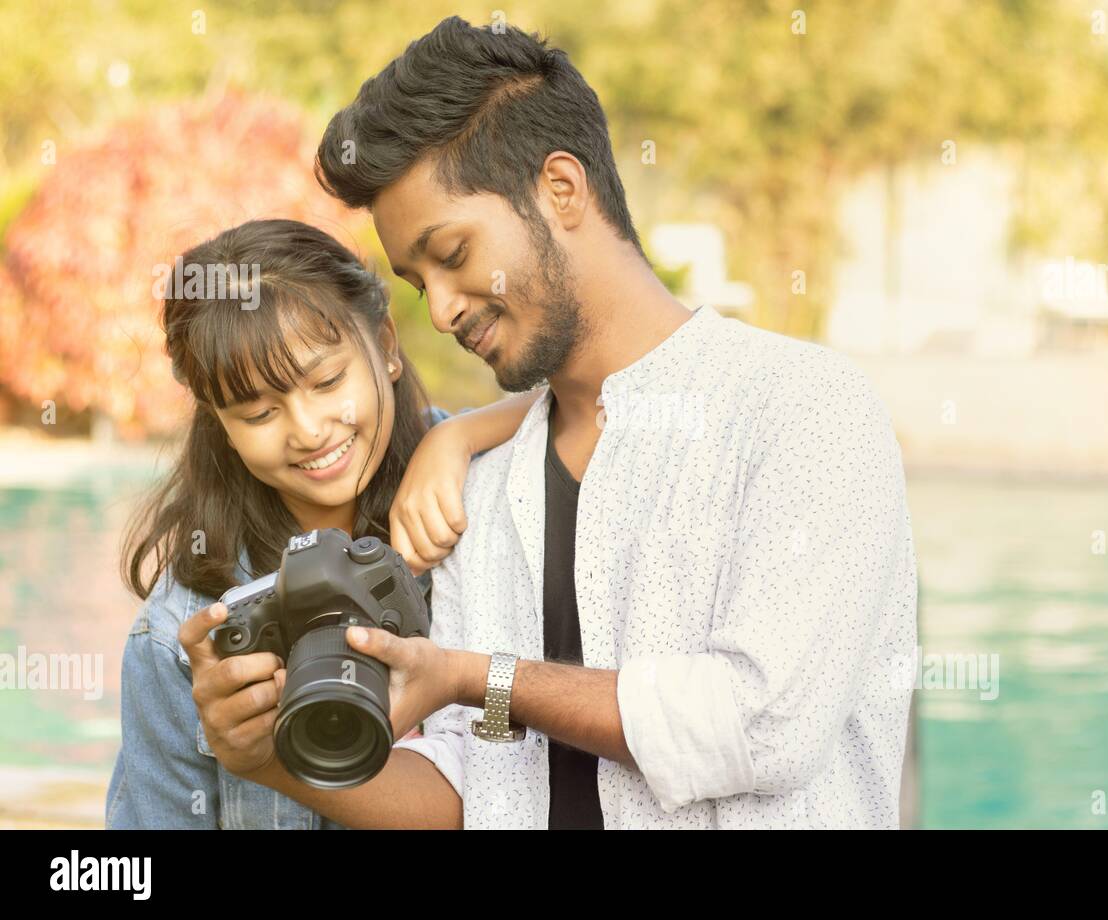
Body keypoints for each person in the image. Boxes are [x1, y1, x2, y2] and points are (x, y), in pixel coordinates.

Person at [184, 16, 918, 829]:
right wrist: (264, 758)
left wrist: (477, 678)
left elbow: (764, 723)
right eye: (420, 283)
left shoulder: (804, 411)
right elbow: (473, 782)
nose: (443, 310)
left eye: (452, 255)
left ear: (561, 189)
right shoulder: (481, 489)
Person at [107, 218, 537, 828]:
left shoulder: (488, 502)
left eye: (328, 381)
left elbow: (598, 395)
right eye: (259, 414)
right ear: (219, 423)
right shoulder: (185, 632)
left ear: (386, 345)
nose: (308, 431)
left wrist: (459, 436)